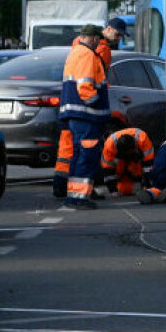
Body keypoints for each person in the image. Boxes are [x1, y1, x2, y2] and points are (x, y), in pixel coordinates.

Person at [58, 19, 122, 209]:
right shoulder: (88, 55)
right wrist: (95, 104)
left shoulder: (75, 53)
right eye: (98, 40)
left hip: (76, 115)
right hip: (87, 115)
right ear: (94, 38)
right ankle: (79, 198)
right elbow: (85, 87)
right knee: (87, 156)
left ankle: (74, 196)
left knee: (79, 155)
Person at [101, 125, 166, 202]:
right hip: (121, 161)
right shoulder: (109, 148)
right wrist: (113, 190)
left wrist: (147, 184)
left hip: (138, 159)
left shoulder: (143, 139)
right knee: (125, 190)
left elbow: (148, 165)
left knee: (155, 168)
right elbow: (107, 171)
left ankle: (150, 187)